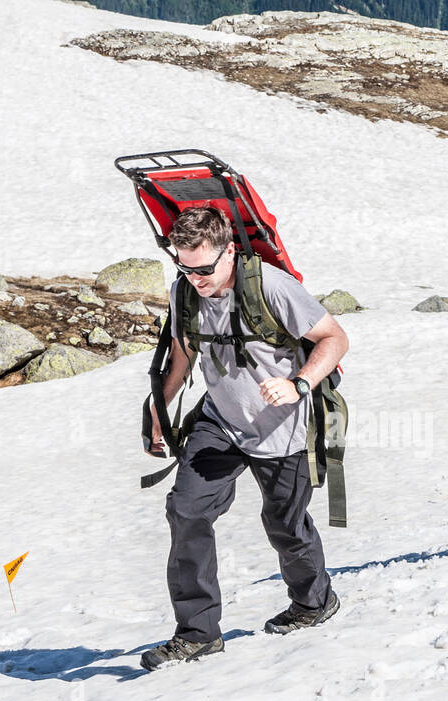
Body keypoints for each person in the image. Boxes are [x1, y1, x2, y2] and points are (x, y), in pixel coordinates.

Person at [141, 206, 349, 668]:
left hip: (285, 430)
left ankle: (314, 602)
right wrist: (159, 407)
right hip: (221, 423)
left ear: (229, 251)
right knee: (186, 510)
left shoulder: (273, 287)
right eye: (183, 266)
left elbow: (335, 339)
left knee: (285, 526)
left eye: (203, 269)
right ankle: (198, 632)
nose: (194, 278)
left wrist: (298, 384)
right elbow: (182, 353)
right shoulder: (185, 292)